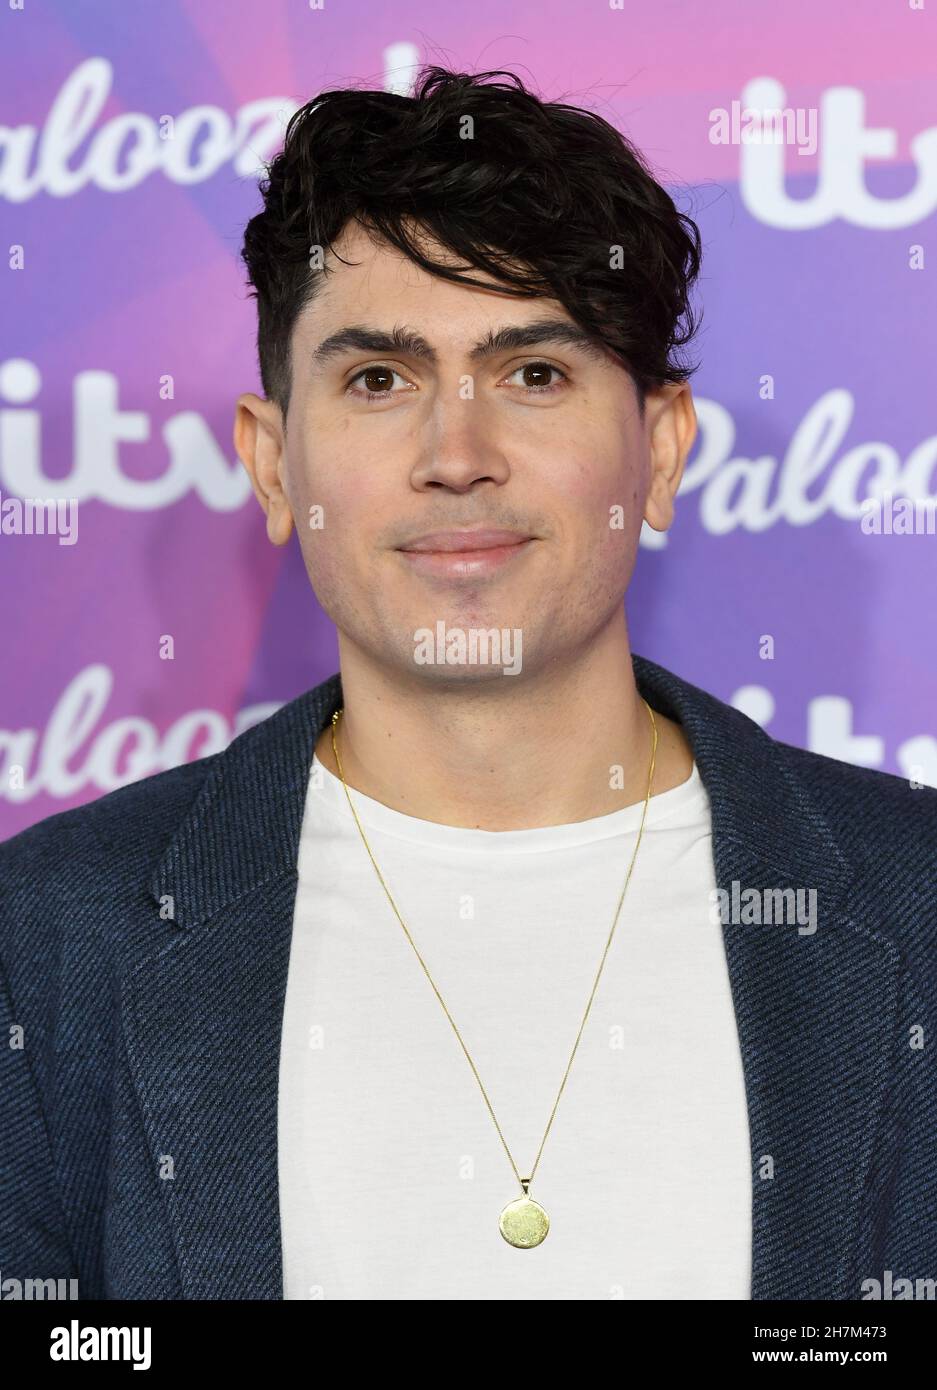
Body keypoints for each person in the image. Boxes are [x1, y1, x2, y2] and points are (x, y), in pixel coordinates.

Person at [2, 67, 934, 1303]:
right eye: (378, 379)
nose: (457, 456)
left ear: (657, 450)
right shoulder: (54, 935)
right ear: (274, 464)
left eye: (533, 373)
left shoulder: (909, 901)